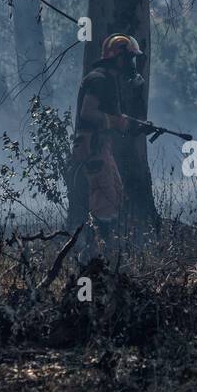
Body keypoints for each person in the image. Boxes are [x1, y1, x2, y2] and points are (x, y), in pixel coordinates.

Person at [69, 33, 145, 260]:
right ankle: (95, 258)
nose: (132, 64)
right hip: (92, 148)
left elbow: (114, 118)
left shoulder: (108, 80)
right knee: (105, 201)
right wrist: (115, 121)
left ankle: (104, 254)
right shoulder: (99, 79)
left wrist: (136, 126)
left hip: (102, 148)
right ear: (119, 58)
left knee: (115, 193)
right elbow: (88, 113)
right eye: (130, 58)